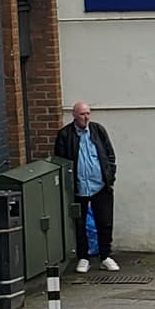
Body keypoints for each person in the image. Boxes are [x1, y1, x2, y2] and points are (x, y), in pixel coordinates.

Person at [54, 102, 120, 272]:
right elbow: (60, 161)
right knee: (80, 223)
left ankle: (105, 256)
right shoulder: (65, 135)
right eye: (82, 114)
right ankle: (83, 257)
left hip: (100, 185)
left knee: (104, 222)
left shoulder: (98, 130)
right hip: (79, 188)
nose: (86, 117)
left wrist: (110, 176)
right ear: (74, 115)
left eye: (88, 113)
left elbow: (109, 154)